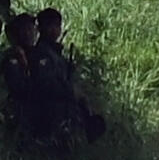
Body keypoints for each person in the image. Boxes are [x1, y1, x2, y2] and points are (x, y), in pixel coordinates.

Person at [35, 8, 106, 141]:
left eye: (57, 25)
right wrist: (71, 91)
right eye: (50, 25)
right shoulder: (41, 53)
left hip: (64, 110)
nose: (54, 30)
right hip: (50, 110)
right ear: (40, 27)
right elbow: (46, 84)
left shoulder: (56, 54)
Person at [1, 13, 44, 144]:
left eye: (31, 29)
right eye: (25, 30)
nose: (29, 34)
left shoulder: (38, 54)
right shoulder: (13, 57)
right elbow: (19, 87)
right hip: (20, 110)